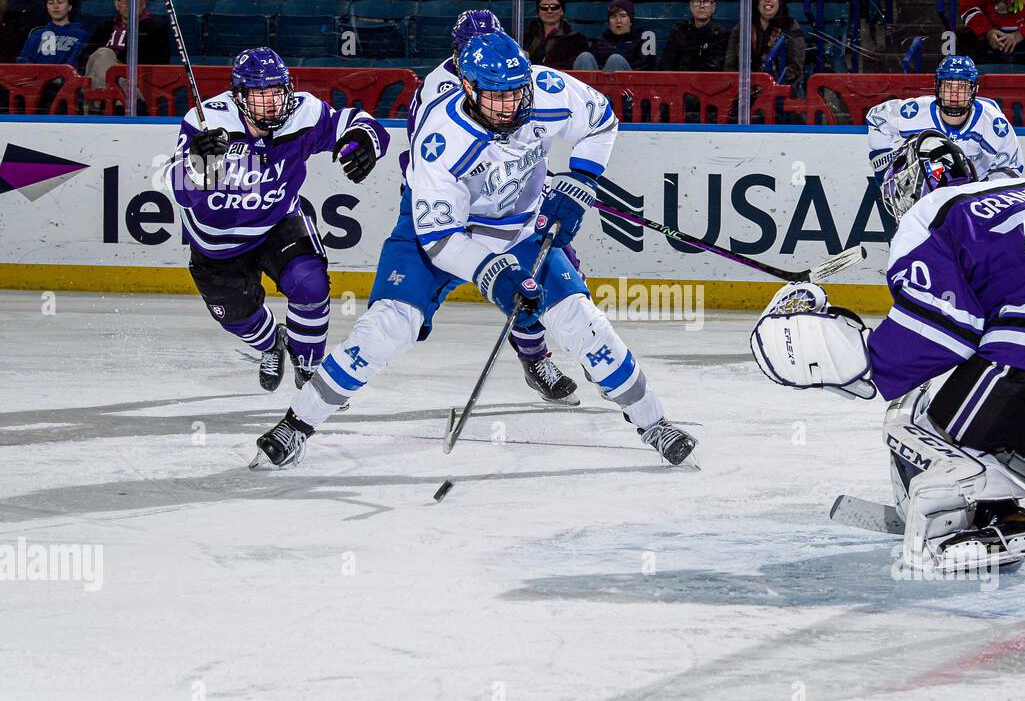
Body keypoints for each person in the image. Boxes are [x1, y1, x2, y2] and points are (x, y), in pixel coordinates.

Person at [252, 30, 699, 470]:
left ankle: (653, 421)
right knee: (385, 329)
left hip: (517, 229)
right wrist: (497, 274)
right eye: (497, 96)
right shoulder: (440, 139)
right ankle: (297, 425)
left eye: (517, 93)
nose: (511, 105)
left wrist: (581, 181)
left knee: (583, 322)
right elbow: (441, 239)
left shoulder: (546, 90)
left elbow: (602, 119)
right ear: (469, 87)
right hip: (436, 232)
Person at [751, 131, 1025, 571]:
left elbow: (938, 334)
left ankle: (1002, 521)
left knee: (916, 414)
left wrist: (835, 350)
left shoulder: (931, 214)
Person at [164, 48, 390, 393]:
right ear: (239, 96)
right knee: (238, 317)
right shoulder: (207, 120)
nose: (272, 103)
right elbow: (176, 187)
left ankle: (310, 370)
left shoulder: (303, 112)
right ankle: (272, 344)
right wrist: (197, 164)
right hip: (216, 242)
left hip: (277, 224)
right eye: (260, 94)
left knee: (311, 285)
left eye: (277, 92)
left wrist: (366, 141)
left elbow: (357, 122)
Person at [410, 8, 584, 404]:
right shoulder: (437, 89)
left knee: (556, 268)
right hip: (466, 211)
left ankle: (541, 355)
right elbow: (431, 162)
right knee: (428, 291)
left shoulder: (514, 77)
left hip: (520, 201)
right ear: (459, 55)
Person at [864, 56, 1024, 181]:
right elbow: (877, 117)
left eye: (962, 87)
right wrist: (884, 167)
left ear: (973, 91)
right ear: (938, 88)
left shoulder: (992, 122)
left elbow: (1011, 168)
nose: (954, 94)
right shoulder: (916, 112)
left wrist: (983, 194)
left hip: (975, 188)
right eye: (948, 86)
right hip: (927, 184)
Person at [84, 0, 169, 101]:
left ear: (143, 3)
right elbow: (87, 57)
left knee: (104, 54)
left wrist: (119, 65)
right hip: (105, 78)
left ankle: (106, 103)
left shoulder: (155, 27)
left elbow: (158, 62)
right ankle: (127, 99)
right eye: (124, 0)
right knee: (103, 54)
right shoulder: (104, 27)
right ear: (116, 5)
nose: (128, 4)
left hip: (136, 79)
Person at [723, 0, 805, 88]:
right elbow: (730, 65)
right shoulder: (743, 27)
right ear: (756, 2)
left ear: (780, 1)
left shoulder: (790, 25)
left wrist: (771, 86)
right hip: (747, 89)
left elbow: (796, 66)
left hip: (780, 88)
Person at [658, 0, 729, 71]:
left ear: (713, 7)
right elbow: (666, 62)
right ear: (691, 6)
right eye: (697, 1)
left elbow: (716, 67)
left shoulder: (720, 34)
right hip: (679, 80)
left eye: (706, 2)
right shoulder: (679, 30)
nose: (701, 6)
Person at [575, 0, 655, 70]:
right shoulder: (601, 40)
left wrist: (612, 67)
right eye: (613, 17)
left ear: (630, 20)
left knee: (615, 60)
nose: (618, 21)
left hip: (631, 82)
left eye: (623, 16)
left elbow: (647, 65)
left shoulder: (645, 37)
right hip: (598, 82)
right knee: (584, 57)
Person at [16, 0, 87, 66]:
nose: (55, 6)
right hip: (38, 77)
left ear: (69, 6)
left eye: (60, 2)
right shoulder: (36, 34)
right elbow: (22, 61)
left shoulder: (81, 34)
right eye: (51, 3)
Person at [521, 0, 588, 70]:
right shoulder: (526, 36)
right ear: (538, 11)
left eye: (554, 7)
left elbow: (573, 66)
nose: (549, 11)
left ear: (562, 11)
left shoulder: (576, 39)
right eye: (544, 7)